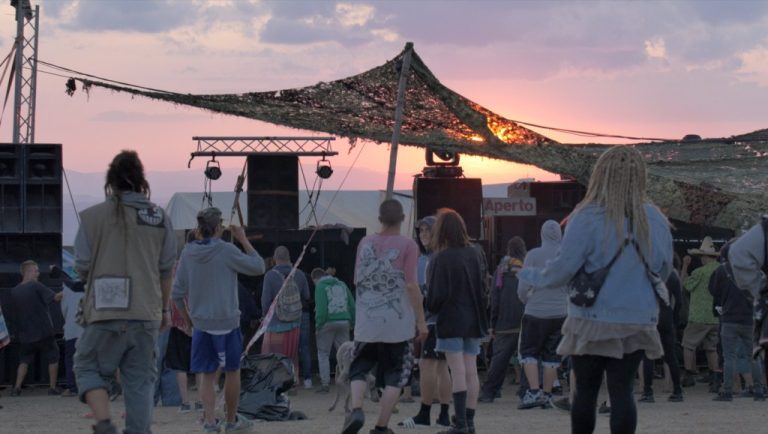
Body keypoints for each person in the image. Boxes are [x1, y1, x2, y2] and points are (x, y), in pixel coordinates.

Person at [518, 145, 673, 434]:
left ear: (600, 175)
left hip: (591, 319)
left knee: (586, 392)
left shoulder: (586, 216)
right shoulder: (655, 219)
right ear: (640, 177)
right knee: (623, 392)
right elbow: (662, 269)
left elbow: (563, 269)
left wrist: (528, 275)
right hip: (637, 318)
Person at [74, 150, 177, 434]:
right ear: (142, 180)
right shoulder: (159, 217)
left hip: (104, 312)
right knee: (141, 381)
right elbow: (166, 269)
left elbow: (82, 265)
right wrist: (164, 310)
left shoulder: (93, 217)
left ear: (111, 182)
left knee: (87, 365)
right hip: (146, 312)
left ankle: (105, 423)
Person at [172, 207, 265, 434]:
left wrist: (188, 320)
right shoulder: (226, 250)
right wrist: (243, 238)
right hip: (227, 322)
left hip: (202, 323)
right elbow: (258, 266)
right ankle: (231, 421)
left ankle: (210, 423)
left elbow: (176, 293)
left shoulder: (188, 253)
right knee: (233, 371)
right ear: (217, 227)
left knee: (206, 374)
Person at [341, 199, 428, 434]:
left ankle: (357, 409)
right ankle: (381, 426)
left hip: (367, 322)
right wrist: (420, 321)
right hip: (397, 327)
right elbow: (411, 285)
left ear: (379, 219)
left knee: (359, 368)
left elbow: (358, 280)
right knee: (396, 374)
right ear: (401, 219)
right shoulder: (409, 245)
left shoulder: (364, 243)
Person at [426, 208, 488, 434]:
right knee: (471, 370)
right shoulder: (475, 252)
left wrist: (429, 308)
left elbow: (435, 296)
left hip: (450, 319)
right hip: (474, 319)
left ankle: (460, 423)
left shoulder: (440, 258)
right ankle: (469, 421)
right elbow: (483, 286)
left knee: (457, 371)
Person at [399, 216, 451, 428]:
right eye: (420, 231)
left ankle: (424, 414)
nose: (423, 235)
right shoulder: (439, 256)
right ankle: (444, 414)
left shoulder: (435, 258)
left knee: (426, 364)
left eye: (428, 231)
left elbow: (430, 290)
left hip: (434, 318)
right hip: (443, 318)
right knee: (442, 366)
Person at [516, 220, 568, 409]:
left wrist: (526, 300)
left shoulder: (533, 255)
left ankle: (534, 391)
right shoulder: (566, 255)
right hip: (560, 312)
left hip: (536, 311)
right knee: (552, 355)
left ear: (542, 234)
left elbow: (523, 286)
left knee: (529, 352)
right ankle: (547, 394)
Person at [710, 241, 765, 401]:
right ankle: (759, 391)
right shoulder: (754, 272)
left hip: (729, 318)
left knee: (729, 357)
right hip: (750, 319)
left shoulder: (721, 270)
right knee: (753, 356)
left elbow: (714, 291)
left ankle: (727, 391)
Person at [479, 236, 527, 404]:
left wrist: (492, 323)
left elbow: (495, 297)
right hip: (525, 320)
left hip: (504, 323)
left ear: (508, 250)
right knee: (527, 358)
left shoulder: (501, 269)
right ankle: (526, 392)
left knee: (499, 360)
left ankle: (490, 391)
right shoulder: (527, 267)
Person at [9, 260, 63, 396]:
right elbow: (55, 298)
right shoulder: (35, 285)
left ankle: (16, 388)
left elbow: (12, 314)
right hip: (44, 332)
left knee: (24, 360)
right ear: (28, 272)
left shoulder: (14, 291)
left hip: (25, 334)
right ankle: (52, 388)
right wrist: (68, 289)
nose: (38, 273)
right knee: (53, 357)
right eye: (36, 270)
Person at [261, 246, 311, 384]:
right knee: (291, 355)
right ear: (289, 258)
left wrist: (264, 317)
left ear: (274, 259)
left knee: (273, 356)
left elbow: (265, 302)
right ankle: (291, 381)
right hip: (294, 324)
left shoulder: (269, 276)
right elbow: (307, 295)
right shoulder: (299, 274)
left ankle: (274, 383)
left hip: (275, 324)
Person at [639, 254, 684, 403]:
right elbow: (679, 300)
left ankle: (648, 392)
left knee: (649, 356)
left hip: (650, 317)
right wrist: (675, 319)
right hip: (666, 316)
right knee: (671, 355)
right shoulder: (672, 275)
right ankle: (677, 390)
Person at [680, 237, 721, 391]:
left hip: (698, 316)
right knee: (712, 348)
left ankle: (689, 374)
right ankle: (715, 376)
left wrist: (685, 266)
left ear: (704, 256)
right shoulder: (721, 270)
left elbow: (685, 285)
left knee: (688, 345)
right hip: (715, 316)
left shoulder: (699, 272)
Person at [312, 267, 355, 393]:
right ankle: (348, 380)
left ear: (315, 279)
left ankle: (325, 384)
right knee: (345, 354)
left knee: (323, 353)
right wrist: (352, 322)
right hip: (344, 321)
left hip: (327, 322)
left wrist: (318, 325)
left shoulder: (320, 286)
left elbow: (321, 309)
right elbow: (352, 305)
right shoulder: (342, 284)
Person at [61, 268, 85, 397]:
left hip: (72, 327)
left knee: (70, 358)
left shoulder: (67, 285)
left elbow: (64, 307)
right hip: (87, 328)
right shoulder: (90, 282)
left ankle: (72, 387)